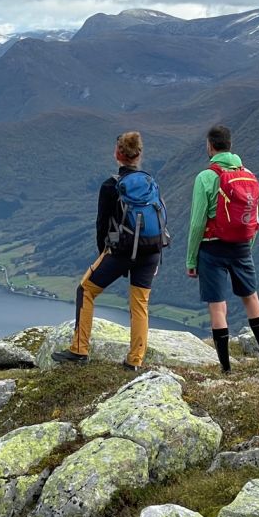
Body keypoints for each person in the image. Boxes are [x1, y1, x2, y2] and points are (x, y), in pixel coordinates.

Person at [53, 131, 168, 371]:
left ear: (117, 154)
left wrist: (103, 255)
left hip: (121, 251)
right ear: (139, 154)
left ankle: (79, 350)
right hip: (151, 250)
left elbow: (102, 226)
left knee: (85, 290)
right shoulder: (150, 182)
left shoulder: (111, 186)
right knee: (140, 305)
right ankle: (134, 361)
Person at [186, 124, 259, 373]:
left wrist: (191, 260)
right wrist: (248, 245)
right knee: (251, 297)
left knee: (217, 305)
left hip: (212, 248)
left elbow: (197, 223)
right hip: (241, 246)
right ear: (230, 145)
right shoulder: (247, 174)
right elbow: (254, 214)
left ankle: (226, 368)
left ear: (210, 146)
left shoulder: (206, 177)